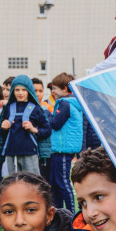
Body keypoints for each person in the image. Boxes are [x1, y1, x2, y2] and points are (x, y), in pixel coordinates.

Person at [42, 72, 84, 212]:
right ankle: (60, 212)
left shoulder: (66, 103)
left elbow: (55, 124)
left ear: (65, 88)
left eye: (55, 88)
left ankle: (72, 213)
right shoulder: (66, 103)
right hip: (58, 150)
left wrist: (46, 112)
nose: (52, 91)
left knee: (63, 183)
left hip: (63, 150)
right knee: (55, 183)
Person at [0, 75, 46, 179]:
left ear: (29, 91)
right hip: (11, 153)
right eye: (17, 89)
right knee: (14, 184)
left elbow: (47, 130)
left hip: (29, 152)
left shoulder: (36, 108)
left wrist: (33, 129)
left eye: (24, 89)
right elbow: (0, 133)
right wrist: (3, 127)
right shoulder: (9, 108)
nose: (20, 93)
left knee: (32, 182)